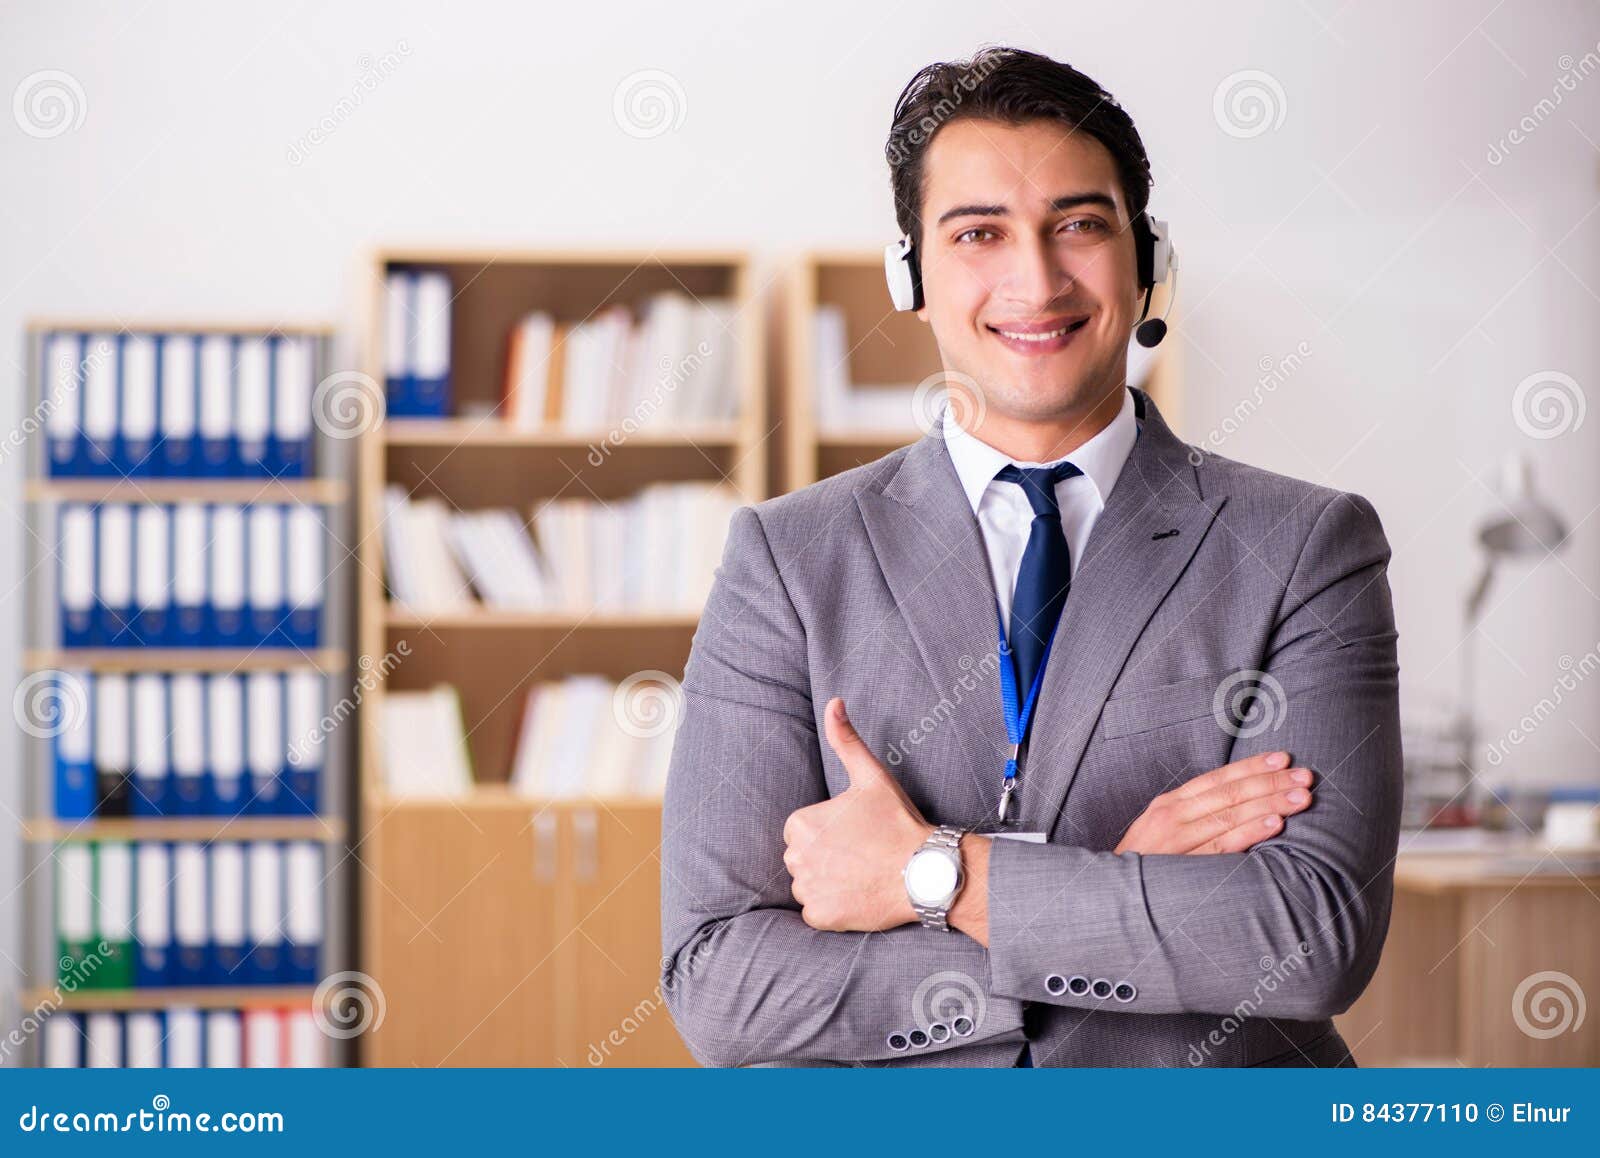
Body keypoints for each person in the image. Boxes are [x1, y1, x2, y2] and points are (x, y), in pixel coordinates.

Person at [660, 45, 1400, 1067]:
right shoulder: (788, 559)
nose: (1036, 278)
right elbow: (718, 984)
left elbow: (1308, 940)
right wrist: (1107, 894)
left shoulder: (1304, 547)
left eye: (1080, 225)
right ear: (909, 274)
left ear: (1148, 260)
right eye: (978, 233)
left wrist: (940, 877)